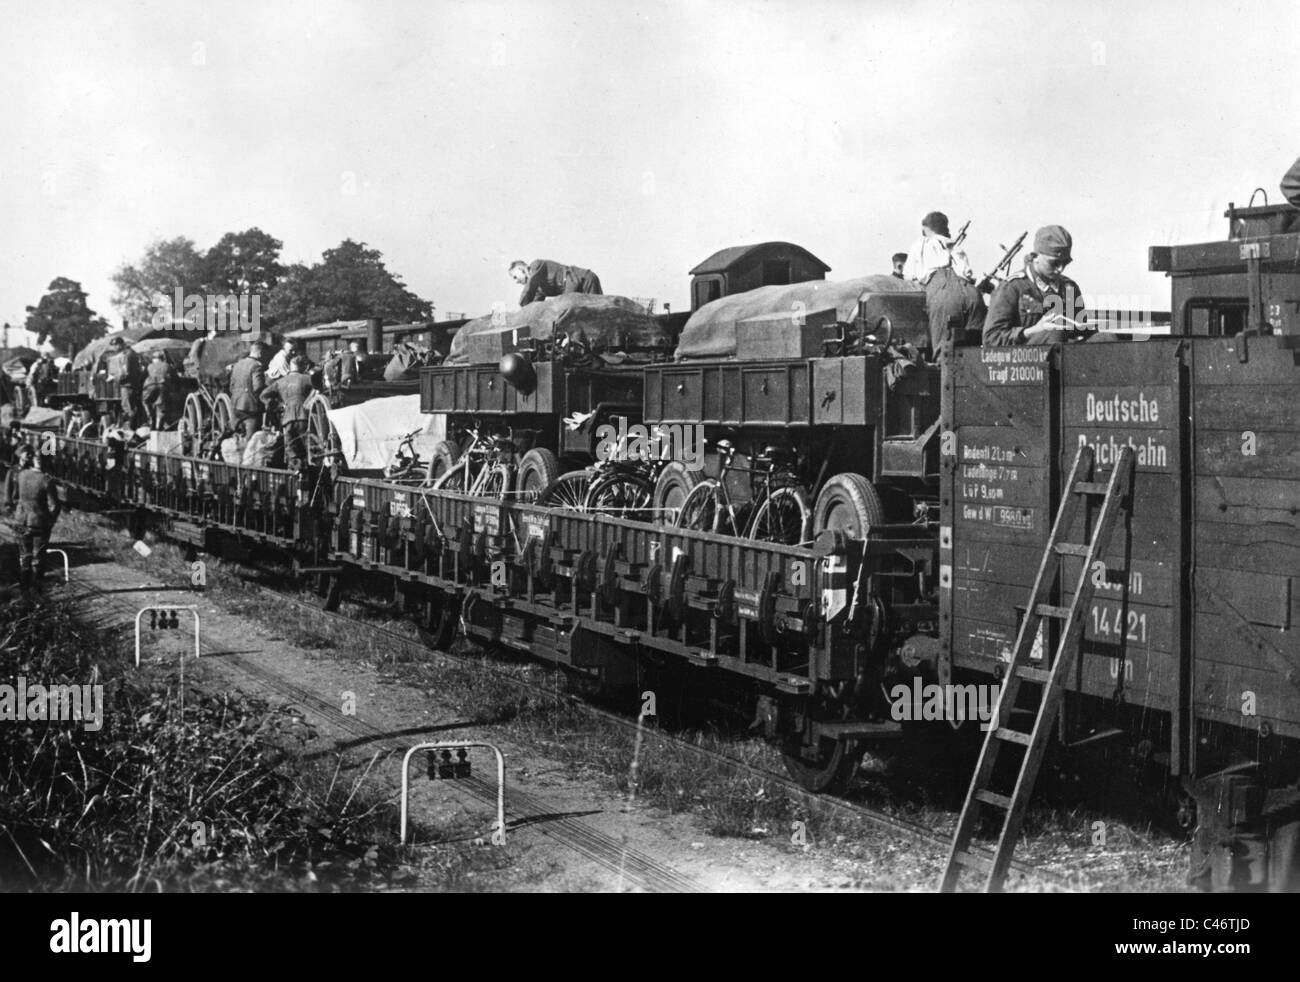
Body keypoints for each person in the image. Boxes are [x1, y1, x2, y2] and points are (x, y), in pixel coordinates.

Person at [983, 225, 1086, 346]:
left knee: (1107, 337)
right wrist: (1032, 331)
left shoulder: (1069, 288)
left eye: (1065, 263)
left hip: (1066, 356)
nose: (1060, 269)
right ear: (1036, 256)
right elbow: (991, 338)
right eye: (1054, 263)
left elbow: (1081, 330)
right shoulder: (1012, 287)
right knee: (1054, 332)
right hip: (1025, 359)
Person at [904, 211, 986, 357]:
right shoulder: (953, 245)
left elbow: (909, 277)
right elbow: (967, 273)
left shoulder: (920, 244)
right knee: (974, 354)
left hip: (945, 295)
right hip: (973, 295)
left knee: (945, 355)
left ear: (925, 228)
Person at [9, 445, 61, 591]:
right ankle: (37, 590)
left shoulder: (21, 475)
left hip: (21, 520)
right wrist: (51, 521)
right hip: (39, 523)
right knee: (38, 559)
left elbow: (15, 497)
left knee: (24, 557)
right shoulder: (46, 480)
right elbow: (54, 505)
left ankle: (24, 590)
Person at [260, 354, 315, 467]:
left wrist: (278, 405)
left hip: (287, 419)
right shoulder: (307, 379)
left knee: (291, 448)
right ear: (303, 367)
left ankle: (295, 470)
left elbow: (263, 395)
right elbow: (318, 389)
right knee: (308, 447)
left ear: (290, 367)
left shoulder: (280, 382)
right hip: (304, 417)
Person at [510, 259, 603, 306]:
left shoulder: (536, 265)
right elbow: (534, 306)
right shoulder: (538, 289)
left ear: (521, 269)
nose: (516, 281)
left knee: (597, 311)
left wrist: (522, 303)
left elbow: (530, 285)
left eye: (515, 277)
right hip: (574, 289)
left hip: (584, 280)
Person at [230, 341, 268, 438]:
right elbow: (258, 387)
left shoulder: (238, 364)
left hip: (236, 404)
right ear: (260, 352)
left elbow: (231, 386)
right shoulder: (256, 366)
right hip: (249, 408)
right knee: (252, 438)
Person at [106, 337, 144, 429]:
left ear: (120, 344)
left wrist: (113, 377)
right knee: (131, 407)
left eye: (115, 346)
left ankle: (131, 431)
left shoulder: (127, 355)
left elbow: (125, 372)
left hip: (127, 385)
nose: (114, 348)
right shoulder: (132, 353)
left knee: (128, 408)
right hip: (133, 384)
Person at [141, 351, 177, 429]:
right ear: (162, 358)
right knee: (163, 407)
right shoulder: (168, 366)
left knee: (145, 401)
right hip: (163, 386)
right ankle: (160, 426)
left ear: (154, 359)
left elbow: (142, 377)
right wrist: (175, 389)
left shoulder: (149, 366)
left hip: (150, 386)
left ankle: (151, 420)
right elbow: (175, 379)